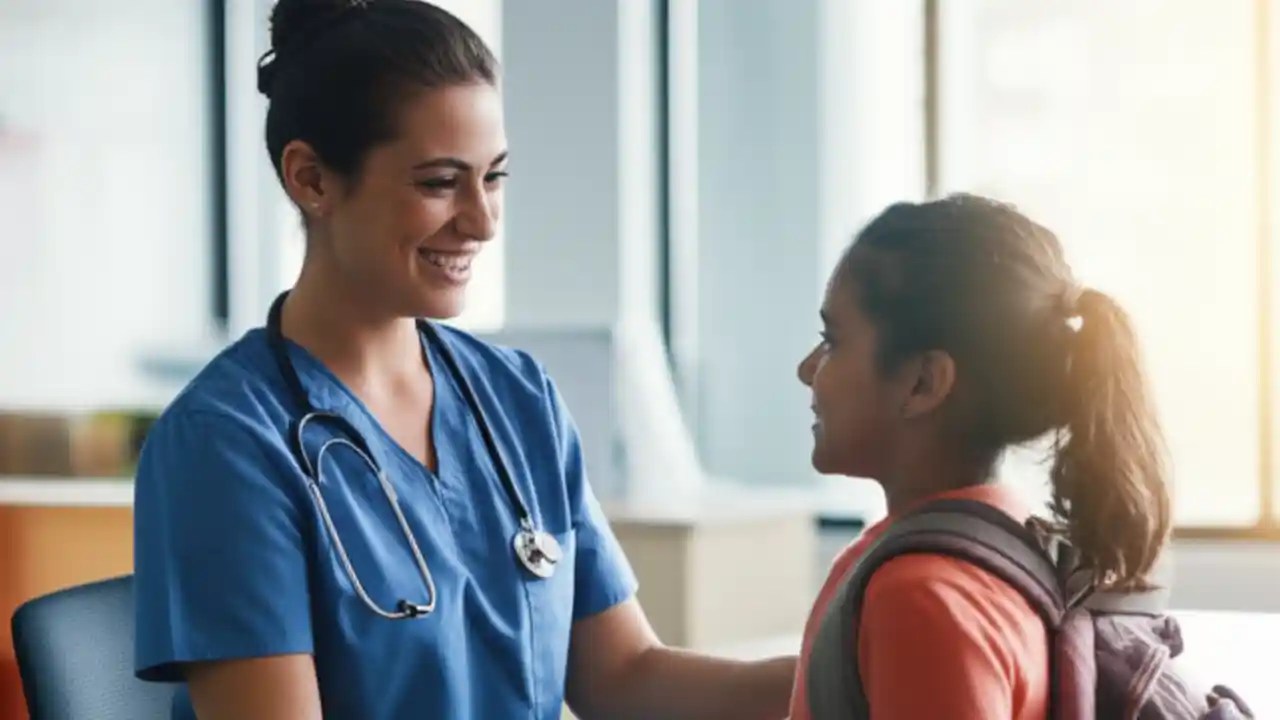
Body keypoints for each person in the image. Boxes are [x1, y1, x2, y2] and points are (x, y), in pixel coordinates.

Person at [131, 2, 795, 718]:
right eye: (440, 183)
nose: (481, 221)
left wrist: (847, 671)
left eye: (495, 177)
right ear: (312, 180)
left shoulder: (517, 398)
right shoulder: (227, 443)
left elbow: (623, 677)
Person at [789, 194, 1171, 719]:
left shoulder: (921, 596)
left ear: (923, 382)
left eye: (832, 341)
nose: (808, 370)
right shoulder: (1010, 543)